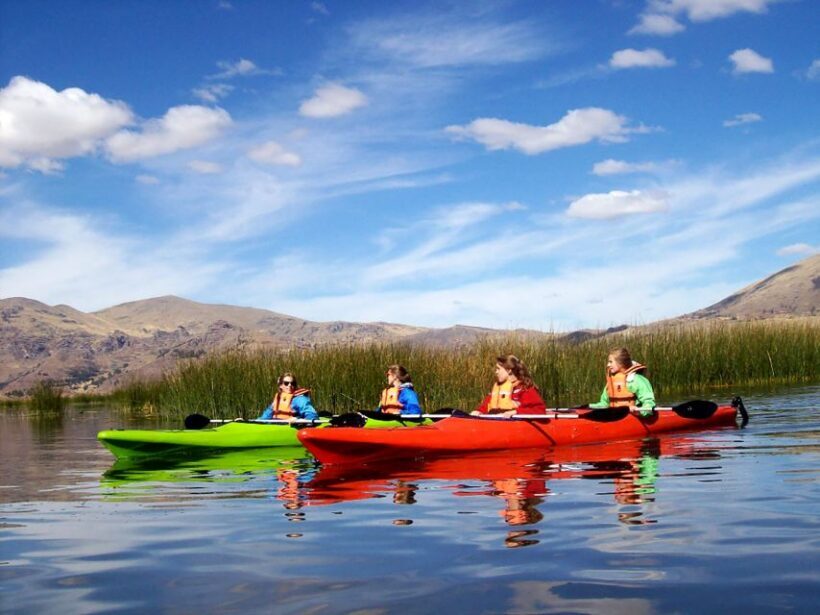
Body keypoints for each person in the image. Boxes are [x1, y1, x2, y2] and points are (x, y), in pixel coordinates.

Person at [588, 347, 656, 416]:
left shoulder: (637, 380)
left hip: (634, 416)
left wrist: (640, 412)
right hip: (614, 416)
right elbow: (604, 404)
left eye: (611, 362)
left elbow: (648, 402)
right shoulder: (611, 382)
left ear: (620, 363)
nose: (608, 365)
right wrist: (588, 406)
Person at [474, 354, 547, 417]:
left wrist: (516, 412)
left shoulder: (524, 389)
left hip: (514, 423)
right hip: (497, 422)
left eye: (498, 369)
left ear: (509, 370)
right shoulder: (499, 388)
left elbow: (540, 410)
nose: (496, 372)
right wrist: (478, 411)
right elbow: (486, 406)